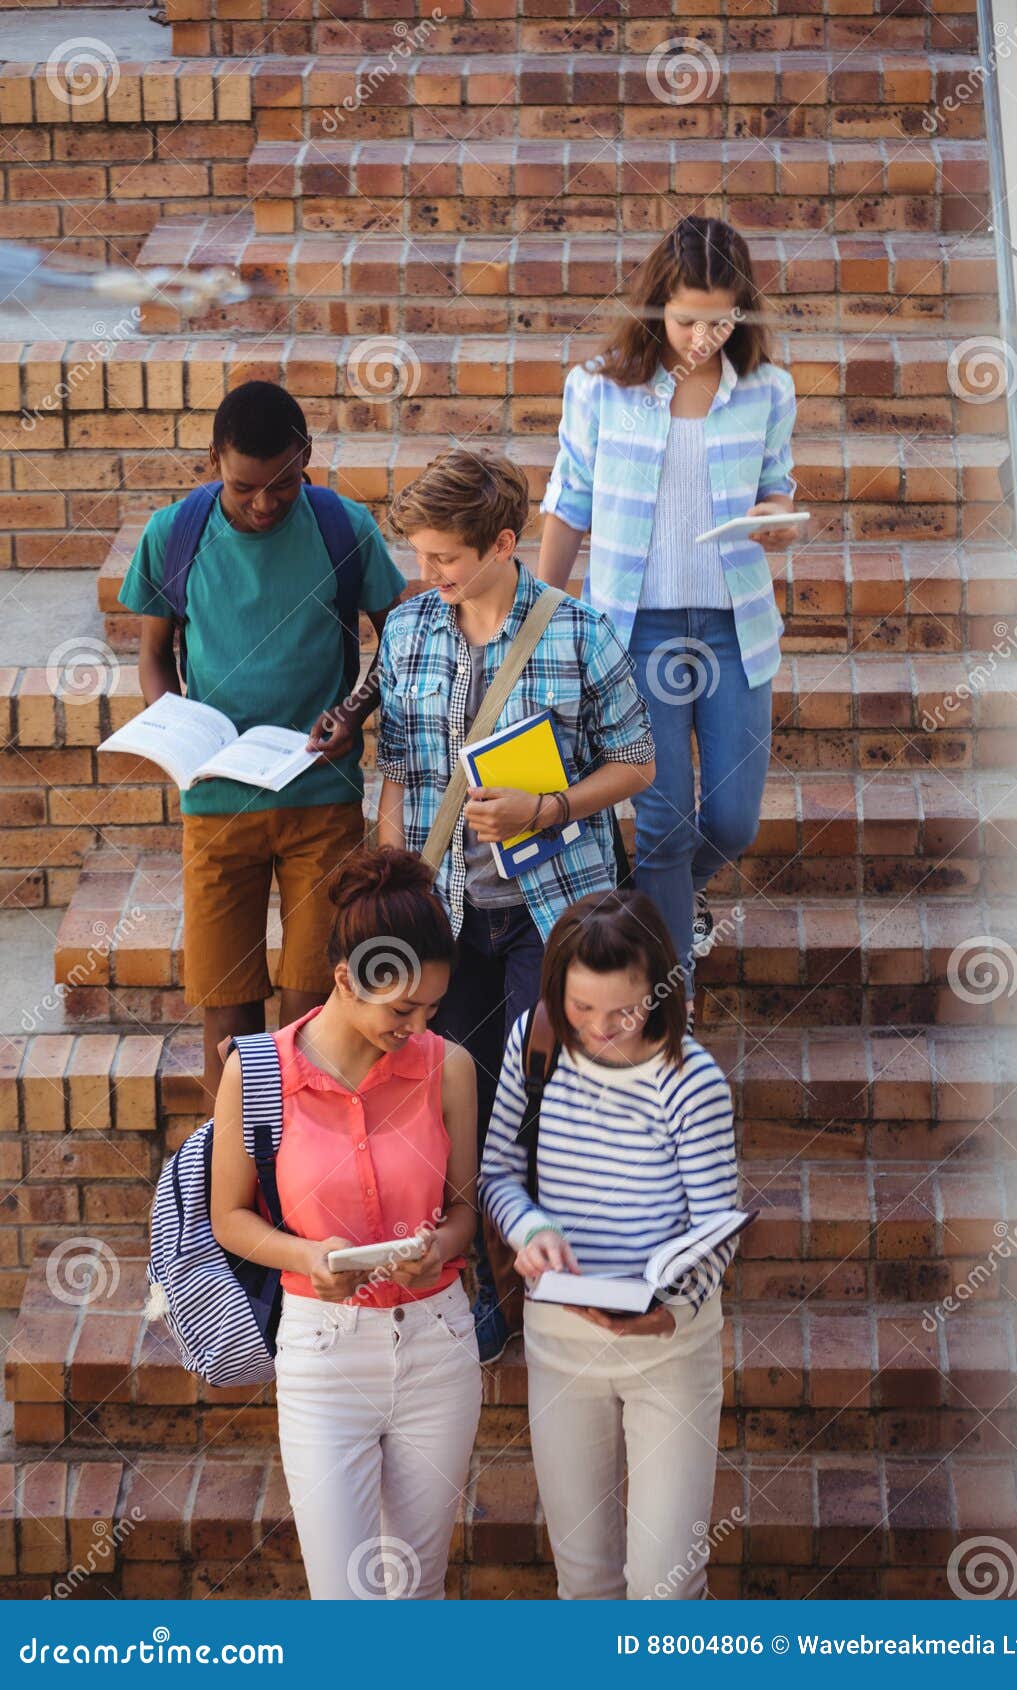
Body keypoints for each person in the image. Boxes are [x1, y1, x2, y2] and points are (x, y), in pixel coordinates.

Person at [375, 447, 655, 1361]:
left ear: (502, 543)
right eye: (420, 556)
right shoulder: (409, 631)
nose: (429, 576)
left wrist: (548, 807)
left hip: (553, 912)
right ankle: (480, 1294)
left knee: (543, 1103)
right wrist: (390, 899)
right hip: (444, 918)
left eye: (445, 559)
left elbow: (637, 764)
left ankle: (562, 1289)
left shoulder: (581, 633)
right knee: (449, 1106)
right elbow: (398, 775)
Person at [537, 215, 800, 1003]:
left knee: (728, 822)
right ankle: (666, 1011)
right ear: (656, 305)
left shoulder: (765, 390)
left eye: (719, 319)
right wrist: (541, 614)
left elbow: (775, 486)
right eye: (686, 318)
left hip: (730, 629)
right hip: (637, 633)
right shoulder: (599, 386)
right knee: (663, 828)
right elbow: (569, 501)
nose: (701, 335)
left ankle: (653, 900)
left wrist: (778, 517)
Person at [118, 380, 405, 1098]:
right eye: (244, 486)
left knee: (313, 1005)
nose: (264, 503)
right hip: (215, 806)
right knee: (228, 1013)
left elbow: (400, 635)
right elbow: (154, 655)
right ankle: (232, 1178)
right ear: (215, 459)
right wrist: (173, 723)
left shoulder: (342, 527)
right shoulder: (174, 534)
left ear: (305, 456)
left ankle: (298, 1180)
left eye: (282, 484)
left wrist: (353, 713)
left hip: (318, 800)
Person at [210, 847, 482, 1601]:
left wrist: (439, 1251)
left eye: (430, 1007)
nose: (418, 1025)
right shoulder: (258, 1071)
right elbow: (228, 1217)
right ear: (344, 980)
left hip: (438, 1343)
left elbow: (465, 1212)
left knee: (415, 1594)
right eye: (402, 1010)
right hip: (322, 1357)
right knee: (345, 1602)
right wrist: (307, 1253)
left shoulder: (447, 1067)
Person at [480, 890, 739, 1601]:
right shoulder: (531, 1045)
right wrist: (530, 1229)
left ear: (658, 991)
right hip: (560, 1346)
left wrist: (672, 1307)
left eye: (621, 1011)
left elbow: (715, 1230)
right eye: (580, 1009)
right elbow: (496, 1173)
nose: (598, 1030)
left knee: (667, 1585)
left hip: (670, 1354)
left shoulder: (693, 1082)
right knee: (585, 1583)